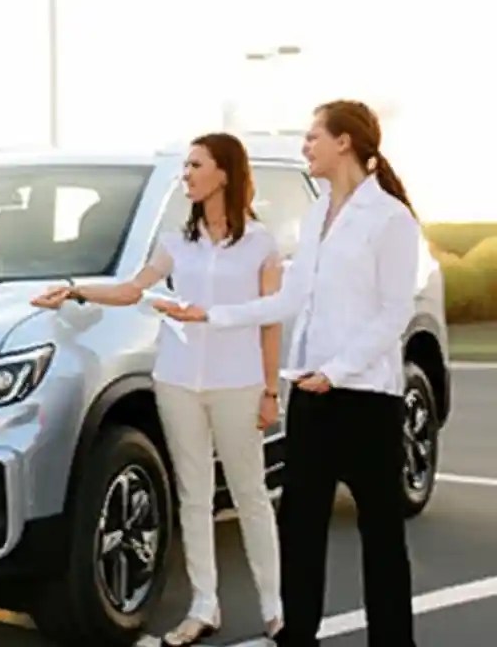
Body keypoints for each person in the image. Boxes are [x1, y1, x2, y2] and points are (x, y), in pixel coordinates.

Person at [157, 100, 420, 647]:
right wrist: (211, 315)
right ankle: (297, 635)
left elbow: (394, 314)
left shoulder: (390, 218)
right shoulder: (316, 213)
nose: (305, 146)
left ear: (344, 142)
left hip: (368, 399)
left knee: (381, 539)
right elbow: (287, 299)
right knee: (299, 528)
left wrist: (337, 369)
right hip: (311, 395)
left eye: (312, 137)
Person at [33, 133, 284, 644]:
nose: (187, 174)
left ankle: (277, 609)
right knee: (193, 495)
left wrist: (270, 391)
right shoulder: (177, 241)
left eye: (196, 165)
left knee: (251, 495)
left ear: (225, 174)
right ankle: (204, 606)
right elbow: (132, 289)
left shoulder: (262, 242)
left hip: (238, 383)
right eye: (187, 165)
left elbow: (270, 319)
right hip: (178, 381)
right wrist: (76, 290)